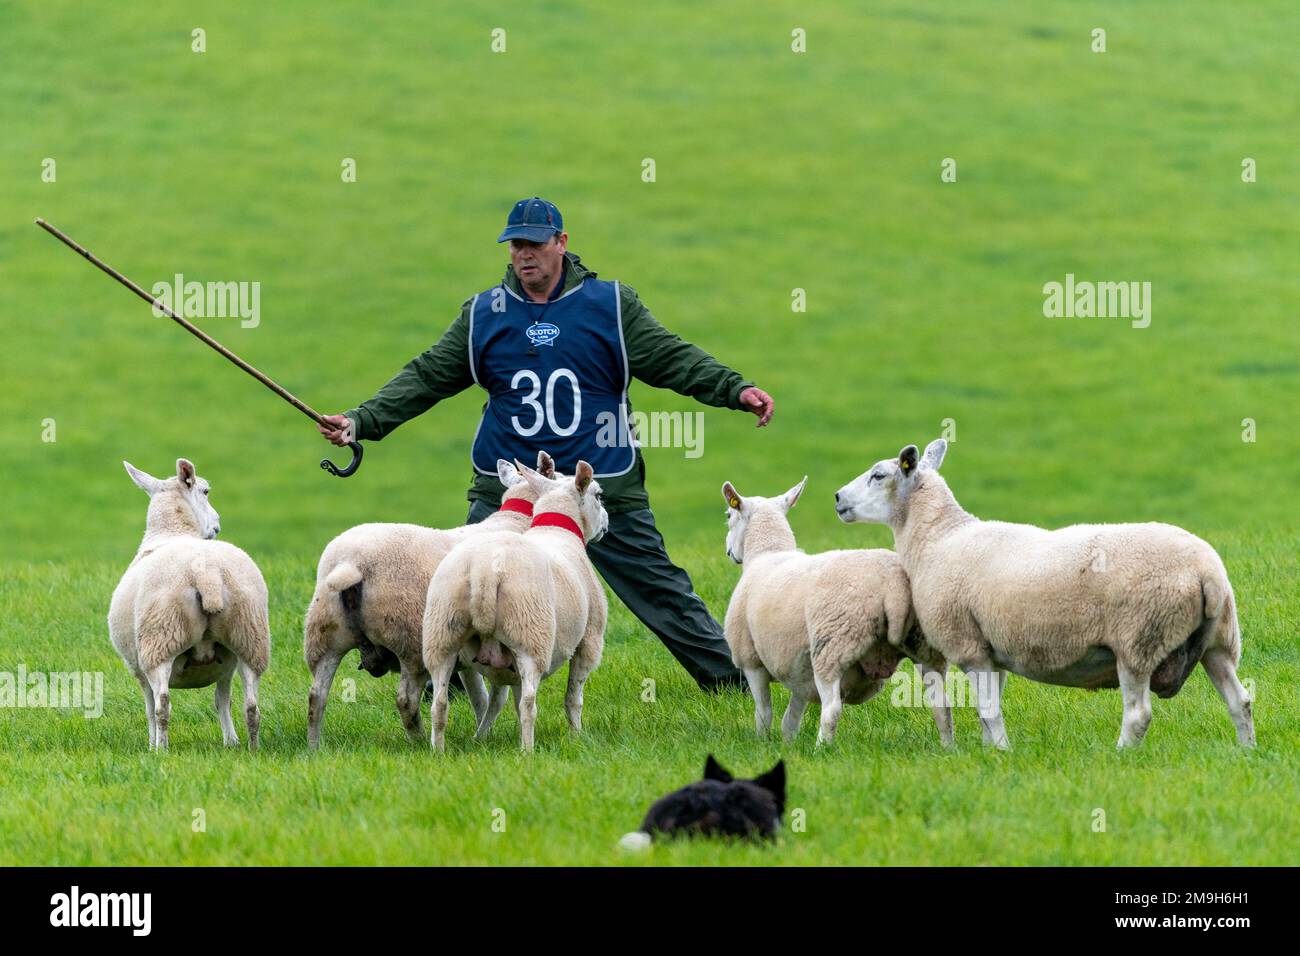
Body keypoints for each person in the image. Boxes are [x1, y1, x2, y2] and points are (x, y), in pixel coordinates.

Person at [320, 197, 774, 691]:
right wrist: (363, 420)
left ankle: (732, 683)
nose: (524, 254)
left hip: (597, 482)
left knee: (659, 589)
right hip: (509, 487)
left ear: (562, 242)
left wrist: (733, 390)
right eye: (516, 245)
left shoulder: (611, 305)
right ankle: (437, 694)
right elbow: (428, 375)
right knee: (459, 588)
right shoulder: (484, 314)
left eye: (535, 243)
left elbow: (672, 357)